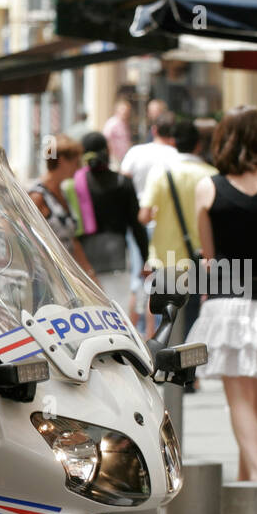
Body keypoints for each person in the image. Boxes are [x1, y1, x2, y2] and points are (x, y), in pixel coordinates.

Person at [189, 105, 257, 482]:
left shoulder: (208, 188)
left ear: (223, 137)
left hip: (227, 297)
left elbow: (209, 260)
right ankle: (247, 483)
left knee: (239, 399)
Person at [138, 118, 217, 344]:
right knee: (193, 319)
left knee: (167, 321)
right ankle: (190, 376)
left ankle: (164, 372)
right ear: (198, 145)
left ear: (173, 143)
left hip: (166, 260)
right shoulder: (211, 174)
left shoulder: (161, 173)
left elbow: (144, 216)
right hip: (200, 258)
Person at [67, 131, 148, 278]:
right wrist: (146, 259)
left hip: (85, 262)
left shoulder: (75, 184)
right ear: (108, 151)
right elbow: (137, 227)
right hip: (117, 258)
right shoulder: (122, 182)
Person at [29, 134, 96, 279]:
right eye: (76, 163)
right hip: (47, 279)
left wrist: (89, 274)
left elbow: (72, 240)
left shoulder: (62, 192)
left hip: (65, 277)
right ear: (62, 160)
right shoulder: (38, 196)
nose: (78, 168)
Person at [120, 112, 178, 201]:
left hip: (136, 207)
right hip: (167, 210)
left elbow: (123, 179)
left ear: (154, 130)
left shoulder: (135, 152)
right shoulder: (178, 157)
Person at [102, 98, 134, 169]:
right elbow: (106, 139)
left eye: (127, 110)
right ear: (117, 110)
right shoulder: (112, 123)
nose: (125, 112)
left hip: (123, 157)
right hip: (114, 159)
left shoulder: (125, 124)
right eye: (123, 109)